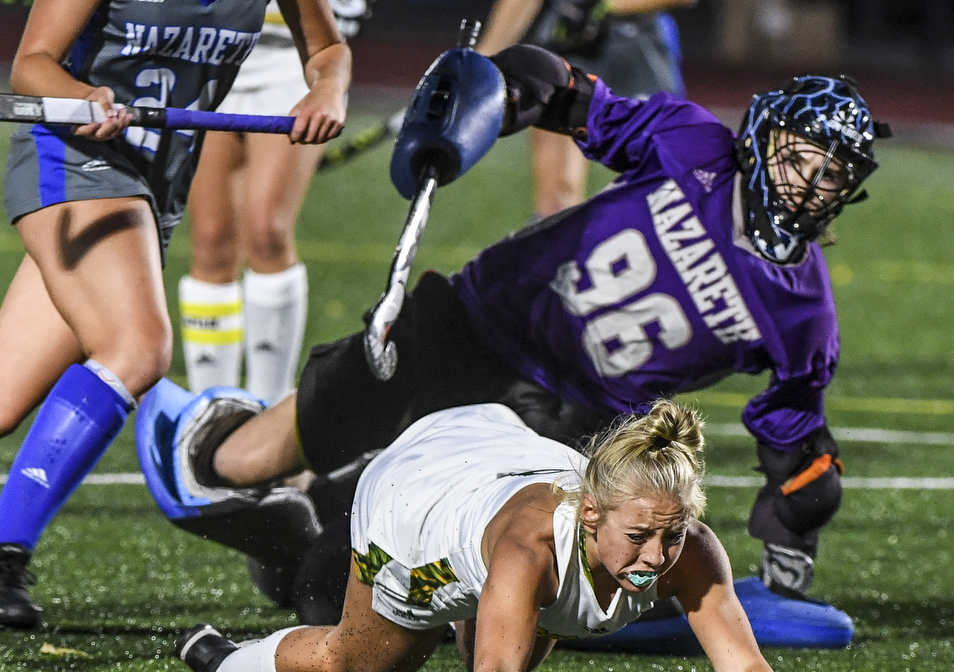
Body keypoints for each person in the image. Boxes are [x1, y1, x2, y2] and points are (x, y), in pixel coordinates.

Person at [157, 44, 887, 615]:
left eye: (831, 173)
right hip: (472, 322)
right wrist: (497, 95)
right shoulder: (693, 144)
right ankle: (282, 479)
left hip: (560, 421)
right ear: (762, 139)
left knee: (323, 592)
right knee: (232, 464)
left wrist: (793, 536)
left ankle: (329, 509)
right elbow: (562, 90)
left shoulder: (803, 313)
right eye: (797, 157)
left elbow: (797, 447)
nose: (807, 184)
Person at [0, 0, 350, 628]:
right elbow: (32, 66)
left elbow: (328, 50)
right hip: (74, 164)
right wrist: (81, 95)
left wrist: (326, 90)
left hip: (155, 185)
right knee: (137, 348)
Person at [176, 399, 878, 672]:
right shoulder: (530, 545)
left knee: (529, 619)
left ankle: (480, 618)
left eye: (671, 536)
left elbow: (743, 664)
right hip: (417, 499)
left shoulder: (684, 549)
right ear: (594, 513)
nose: (655, 560)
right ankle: (219, 660)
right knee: (361, 669)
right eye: (640, 537)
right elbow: (497, 670)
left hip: (497, 443)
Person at [177, 0, 370, 402]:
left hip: (293, 57)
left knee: (267, 232)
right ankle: (209, 415)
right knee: (212, 242)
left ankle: (267, 408)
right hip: (208, 47)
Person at [478, 0, 691, 218]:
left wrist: (606, 6)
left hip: (637, 44)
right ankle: (561, 249)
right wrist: (485, 58)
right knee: (557, 197)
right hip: (570, 35)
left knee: (660, 191)